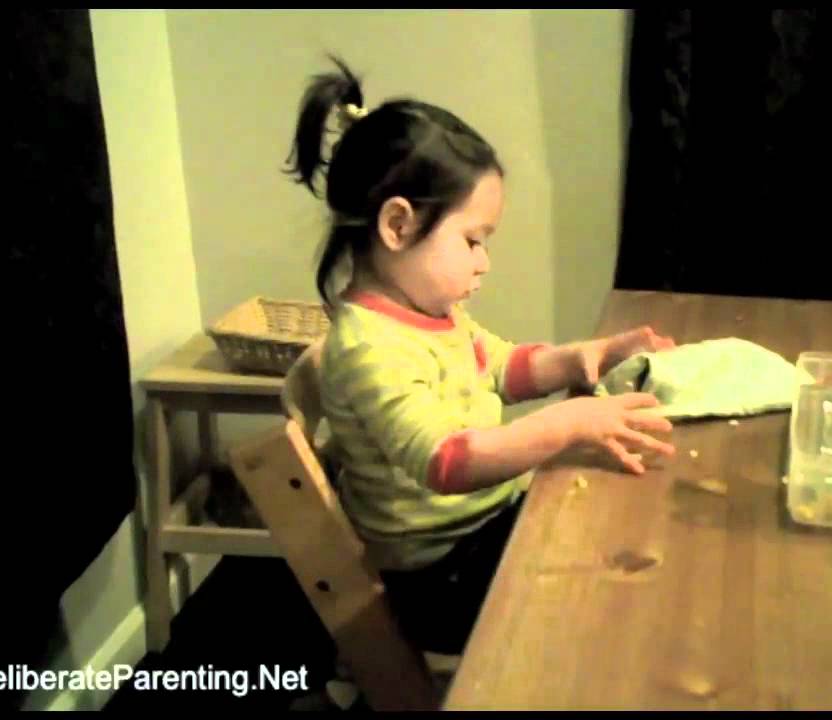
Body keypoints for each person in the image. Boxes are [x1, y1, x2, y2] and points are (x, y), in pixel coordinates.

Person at [284, 55, 677, 655]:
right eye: (472, 241)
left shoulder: (433, 311)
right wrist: (566, 423)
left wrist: (582, 358)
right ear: (397, 225)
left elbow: (503, 368)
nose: (483, 262)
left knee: (623, 520)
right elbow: (444, 461)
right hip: (438, 577)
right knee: (610, 596)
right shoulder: (369, 348)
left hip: (483, 530)